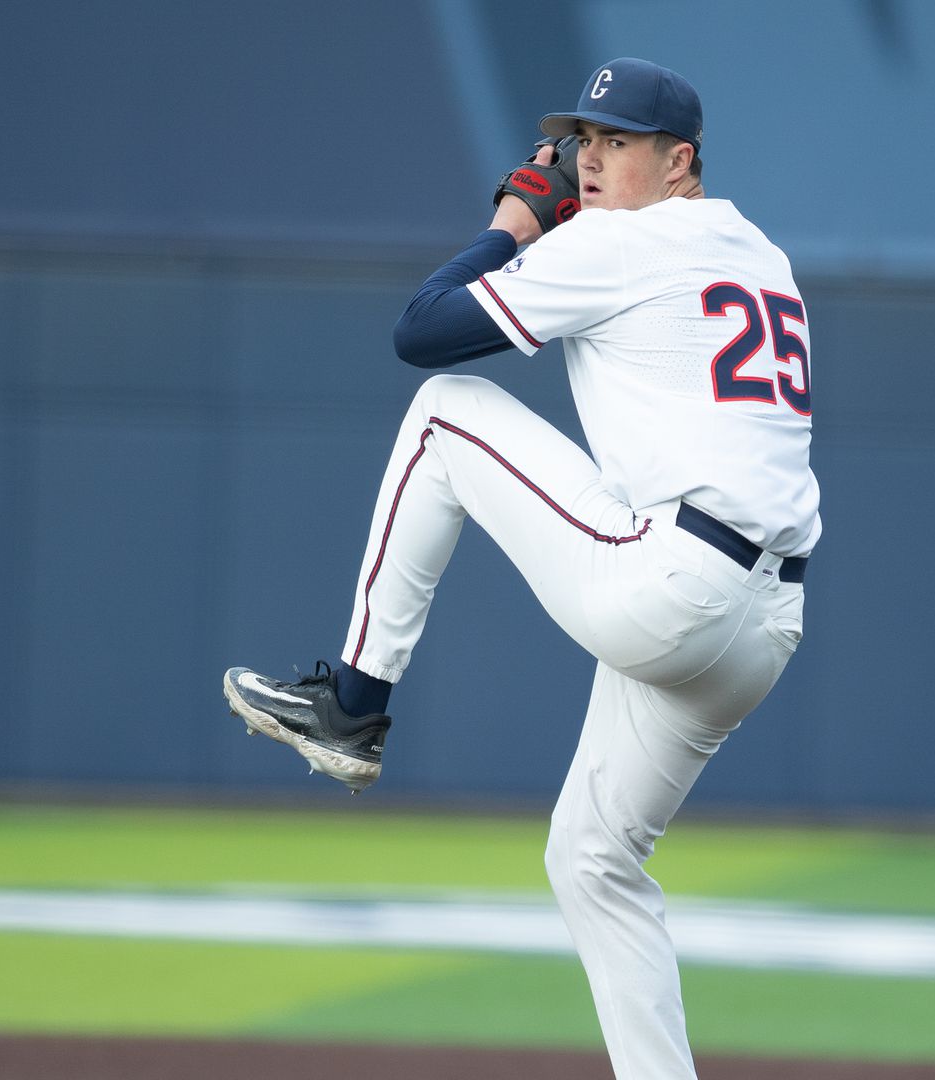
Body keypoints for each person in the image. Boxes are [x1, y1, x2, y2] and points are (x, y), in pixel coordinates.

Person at [223, 57, 817, 1078]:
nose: (590, 157)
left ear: (679, 162)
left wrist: (513, 223)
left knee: (447, 415)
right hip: (761, 627)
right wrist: (559, 223)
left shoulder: (622, 244)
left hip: (673, 583)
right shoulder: (758, 251)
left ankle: (354, 705)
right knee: (591, 859)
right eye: (584, 137)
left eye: (618, 142)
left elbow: (422, 332)